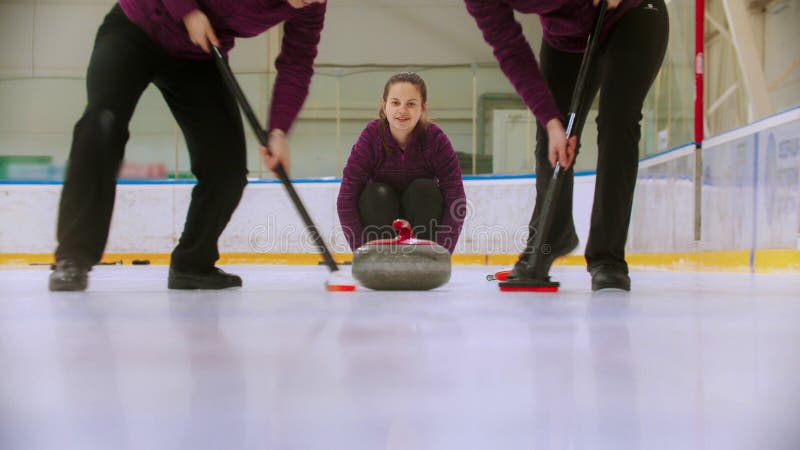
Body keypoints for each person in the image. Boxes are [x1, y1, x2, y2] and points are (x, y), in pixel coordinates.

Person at [49, 0, 327, 291]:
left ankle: (193, 263)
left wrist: (279, 130)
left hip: (198, 55)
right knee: (101, 125)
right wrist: (188, 11)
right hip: (138, 27)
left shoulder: (312, 6)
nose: (312, 1)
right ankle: (73, 257)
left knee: (227, 170)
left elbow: (297, 62)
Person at [465, 0, 669, 290]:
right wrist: (551, 122)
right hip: (566, 38)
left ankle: (607, 258)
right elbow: (509, 48)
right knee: (550, 136)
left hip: (632, 15)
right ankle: (551, 235)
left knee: (617, 122)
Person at [337, 72, 467, 254]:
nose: (402, 110)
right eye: (395, 102)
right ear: (384, 106)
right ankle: (381, 259)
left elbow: (456, 199)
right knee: (376, 193)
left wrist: (442, 252)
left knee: (424, 189)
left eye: (411, 104)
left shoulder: (436, 140)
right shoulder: (370, 138)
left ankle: (423, 258)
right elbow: (346, 199)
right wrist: (361, 252)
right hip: (381, 215)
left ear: (423, 107)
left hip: (420, 216)